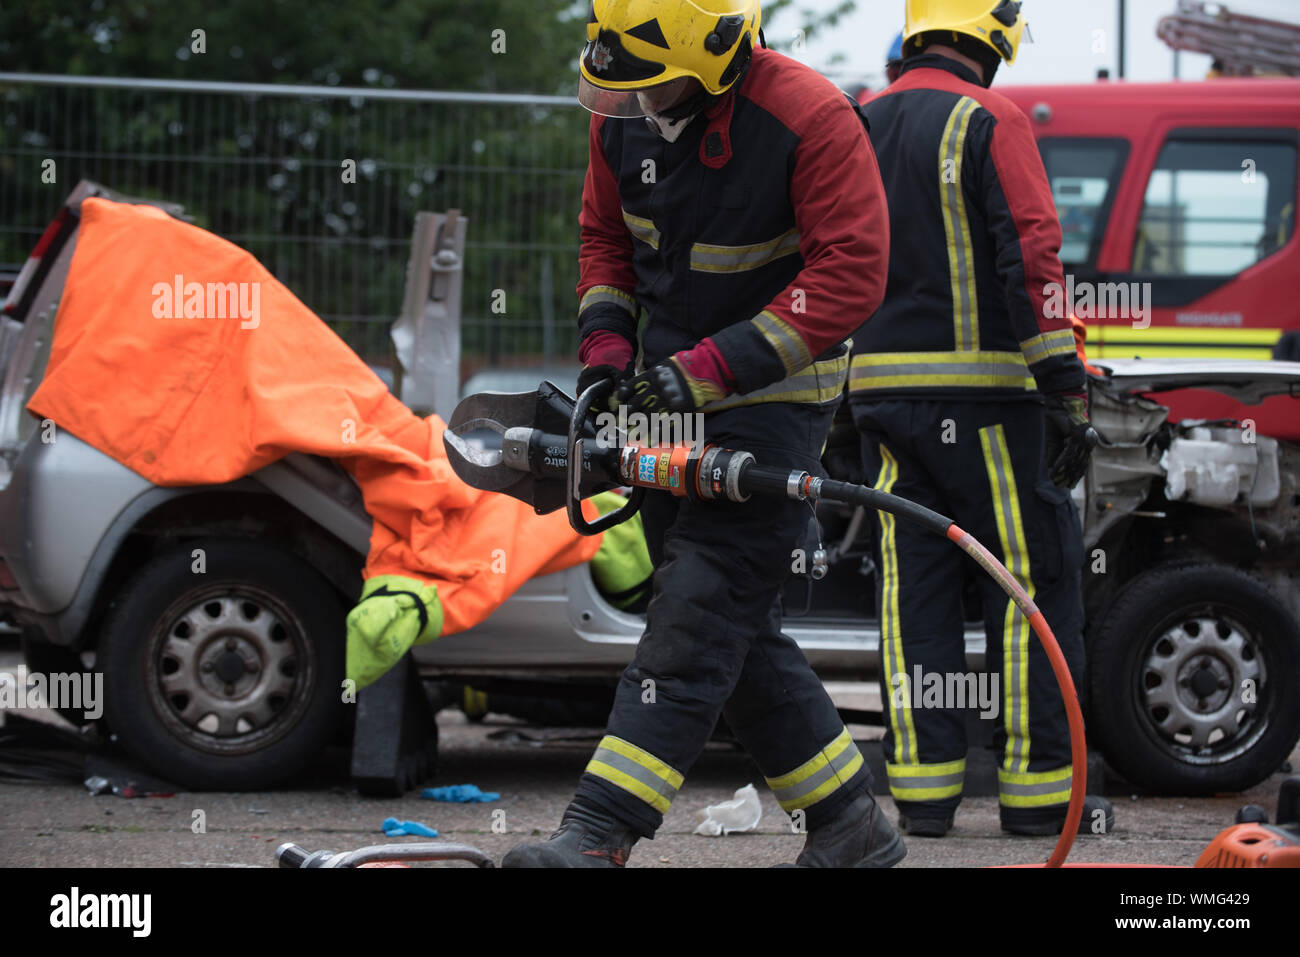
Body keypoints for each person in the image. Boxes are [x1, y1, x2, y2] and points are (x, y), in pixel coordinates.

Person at [502, 0, 899, 867]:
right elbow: (604, 240)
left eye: (656, 84)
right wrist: (607, 357)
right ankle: (852, 823)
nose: (639, 103)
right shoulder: (626, 120)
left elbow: (855, 269)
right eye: (626, 84)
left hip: (773, 402)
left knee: (696, 611)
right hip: (661, 393)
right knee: (732, 628)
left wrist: (712, 370)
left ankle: (598, 834)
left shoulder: (809, 119)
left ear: (718, 55)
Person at [849, 0, 1114, 838]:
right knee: (1031, 581)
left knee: (911, 588)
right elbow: (1032, 254)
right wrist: (1063, 384)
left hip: (880, 398)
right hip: (989, 403)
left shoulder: (857, 121)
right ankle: (1038, 797)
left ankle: (922, 798)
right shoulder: (989, 116)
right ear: (990, 36)